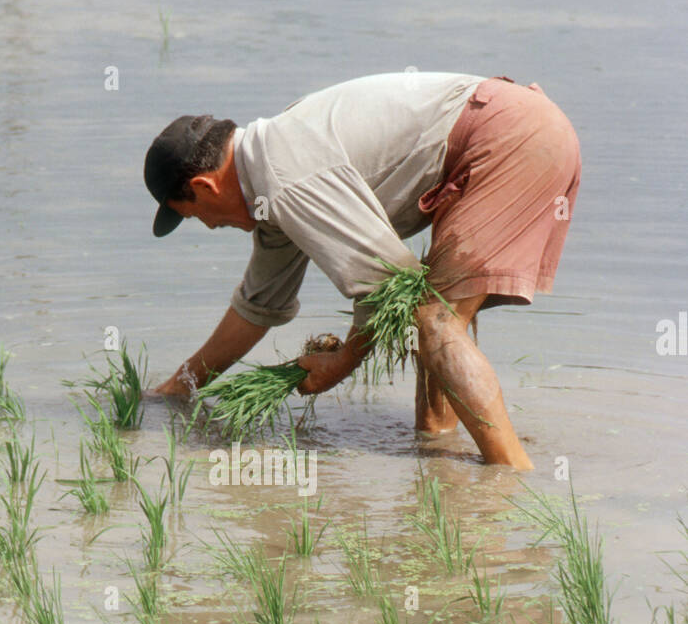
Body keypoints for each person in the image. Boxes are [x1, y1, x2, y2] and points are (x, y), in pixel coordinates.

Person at [142, 71, 581, 470]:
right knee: (438, 311)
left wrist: (344, 359)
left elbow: (388, 282)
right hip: (520, 124)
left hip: (508, 136)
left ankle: (510, 475)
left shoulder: (283, 177)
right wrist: (180, 386)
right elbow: (258, 306)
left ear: (204, 186)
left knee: (436, 320)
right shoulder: (268, 177)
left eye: (198, 216)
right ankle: (438, 454)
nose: (213, 226)